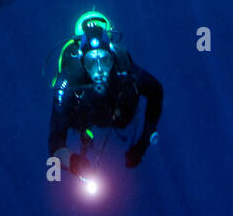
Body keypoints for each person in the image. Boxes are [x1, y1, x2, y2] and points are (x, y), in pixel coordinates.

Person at [48, 11, 163, 176]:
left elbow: (156, 90)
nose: (99, 70)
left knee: (124, 116)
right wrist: (75, 163)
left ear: (112, 56)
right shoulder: (68, 81)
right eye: (91, 62)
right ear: (82, 61)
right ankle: (85, 132)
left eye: (104, 60)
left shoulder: (123, 68)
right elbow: (55, 142)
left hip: (118, 116)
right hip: (88, 117)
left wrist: (144, 142)